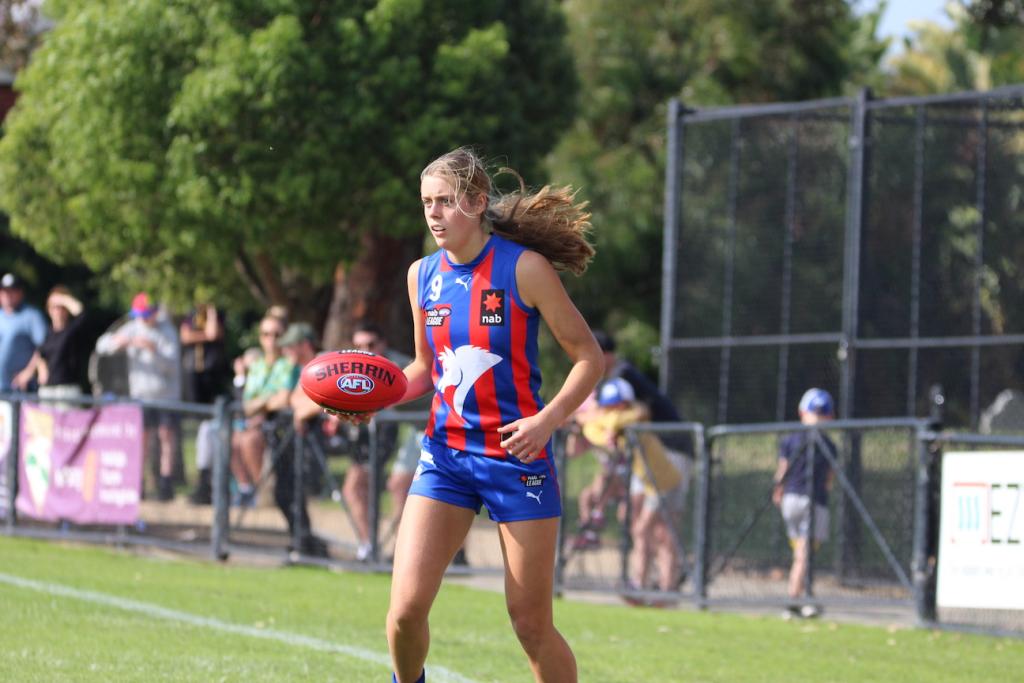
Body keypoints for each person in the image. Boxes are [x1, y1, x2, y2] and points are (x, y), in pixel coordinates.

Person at [340, 147, 601, 683]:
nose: (433, 213)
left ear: (478, 202)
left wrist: (546, 421)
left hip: (515, 460)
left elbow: (588, 359)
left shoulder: (523, 269)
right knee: (404, 613)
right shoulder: (422, 275)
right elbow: (423, 368)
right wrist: (374, 398)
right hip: (445, 459)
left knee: (530, 625)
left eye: (445, 201)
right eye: (426, 203)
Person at [581, 378, 687, 598]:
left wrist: (608, 423)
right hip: (650, 485)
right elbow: (591, 430)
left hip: (665, 483)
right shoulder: (618, 425)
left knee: (653, 532)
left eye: (615, 405)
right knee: (643, 531)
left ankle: (661, 587)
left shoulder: (636, 419)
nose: (611, 410)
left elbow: (634, 412)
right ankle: (645, 583)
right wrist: (607, 425)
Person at [95, 292, 182, 501]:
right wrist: (120, 341)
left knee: (165, 438)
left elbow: (171, 366)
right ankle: (138, 483)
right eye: (139, 315)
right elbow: (102, 345)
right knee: (142, 440)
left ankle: (165, 484)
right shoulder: (133, 327)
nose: (142, 319)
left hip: (166, 397)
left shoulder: (167, 331)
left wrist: (153, 350)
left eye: (146, 315)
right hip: (141, 396)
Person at [772, 387, 837, 619]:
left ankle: (804, 597)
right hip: (813, 502)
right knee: (804, 554)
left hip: (789, 500)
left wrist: (778, 489)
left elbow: (782, 471)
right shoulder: (829, 445)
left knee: (801, 553)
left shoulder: (790, 440)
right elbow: (829, 480)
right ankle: (794, 600)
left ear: (801, 412)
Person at [230, 314, 296, 507]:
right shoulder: (257, 367)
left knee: (250, 440)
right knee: (231, 439)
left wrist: (261, 404)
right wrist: (268, 400)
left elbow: (284, 400)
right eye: (266, 334)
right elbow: (247, 405)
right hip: (256, 423)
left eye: (277, 334)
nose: (272, 340)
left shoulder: (289, 365)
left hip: (279, 426)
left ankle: (264, 491)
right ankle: (246, 488)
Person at [278, 321, 329, 557]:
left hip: (327, 442)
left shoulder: (325, 364)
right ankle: (303, 541)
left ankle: (307, 544)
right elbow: (295, 401)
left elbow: (326, 399)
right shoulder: (301, 370)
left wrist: (306, 407)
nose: (286, 351)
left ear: (304, 345)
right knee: (285, 492)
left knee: (299, 491)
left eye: (291, 346)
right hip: (303, 443)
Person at [179, 303, 228, 504]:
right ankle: (203, 482)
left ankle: (212, 483)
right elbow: (186, 336)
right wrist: (204, 336)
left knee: (210, 429)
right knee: (203, 429)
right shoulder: (190, 314)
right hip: (195, 376)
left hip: (212, 376)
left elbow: (213, 332)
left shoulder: (216, 313)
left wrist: (211, 312)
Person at [34, 287, 88, 403]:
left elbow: (81, 313)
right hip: (48, 389)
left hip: (67, 389)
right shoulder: (48, 333)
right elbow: (40, 353)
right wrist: (41, 367)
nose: (57, 311)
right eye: (54, 307)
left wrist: (62, 298)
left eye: (61, 308)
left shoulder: (72, 330)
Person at [0, 272, 48, 393]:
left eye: (12, 291)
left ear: (21, 292)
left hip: (20, 389)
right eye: (5, 291)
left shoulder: (31, 316)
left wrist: (29, 372)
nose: (8, 295)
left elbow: (44, 346)